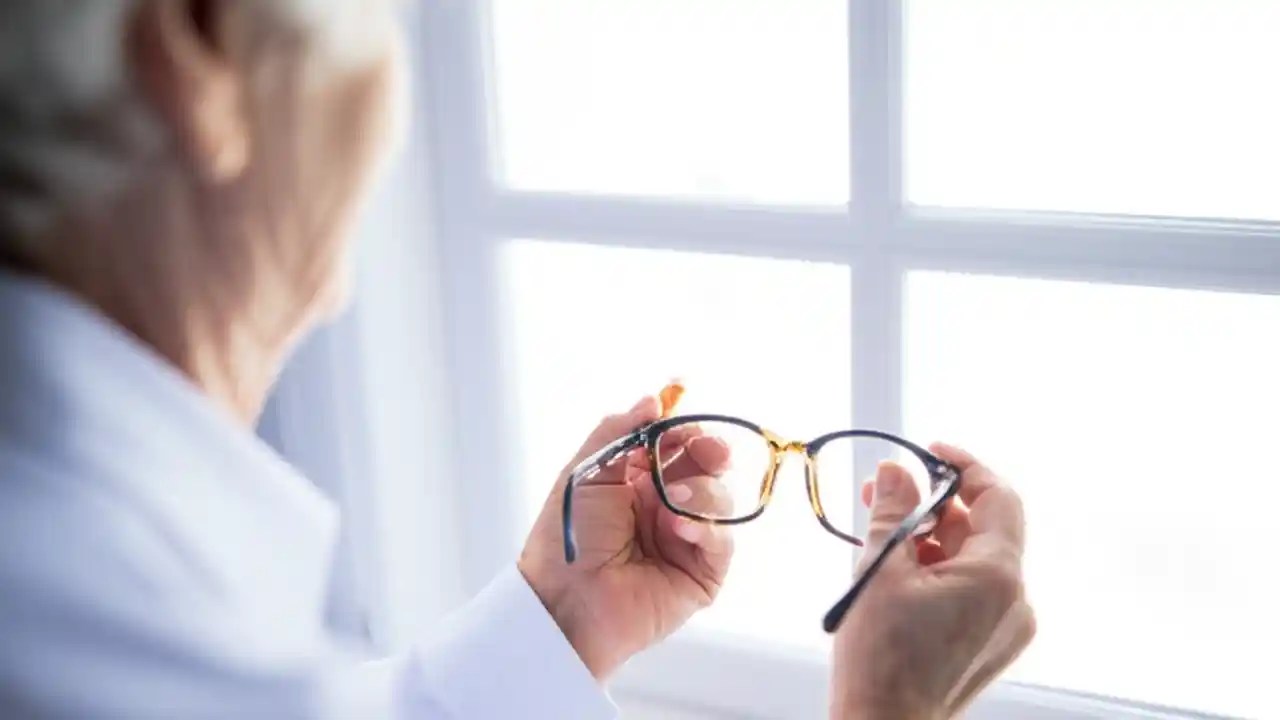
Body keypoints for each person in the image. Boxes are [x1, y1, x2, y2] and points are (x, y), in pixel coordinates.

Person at [0, 1, 1035, 717]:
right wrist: (888, 706)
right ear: (198, 47)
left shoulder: (78, 569)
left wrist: (560, 621)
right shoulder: (90, 626)